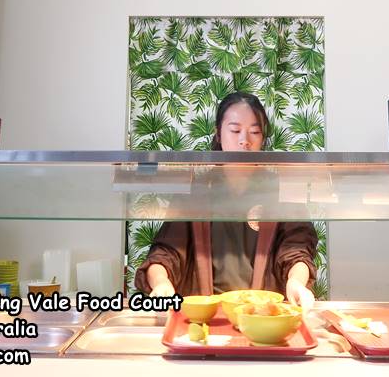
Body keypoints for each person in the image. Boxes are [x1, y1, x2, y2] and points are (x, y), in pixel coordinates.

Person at [134, 92, 318, 310]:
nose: (245, 140)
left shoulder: (280, 190)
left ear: (263, 138)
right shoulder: (195, 190)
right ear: (218, 134)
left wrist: (296, 282)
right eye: (235, 130)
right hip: (206, 316)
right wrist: (161, 283)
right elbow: (167, 252)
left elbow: (296, 249)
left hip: (263, 316)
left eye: (255, 132)